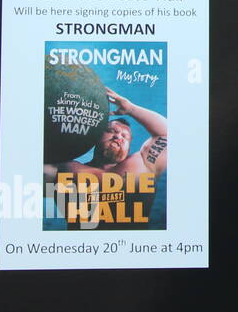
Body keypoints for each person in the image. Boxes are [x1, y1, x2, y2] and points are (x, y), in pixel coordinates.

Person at [44, 88, 169, 230]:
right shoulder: (64, 169)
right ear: (95, 136)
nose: (118, 137)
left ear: (129, 146)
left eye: (125, 136)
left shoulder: (143, 164)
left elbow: (167, 134)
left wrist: (131, 109)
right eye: (111, 131)